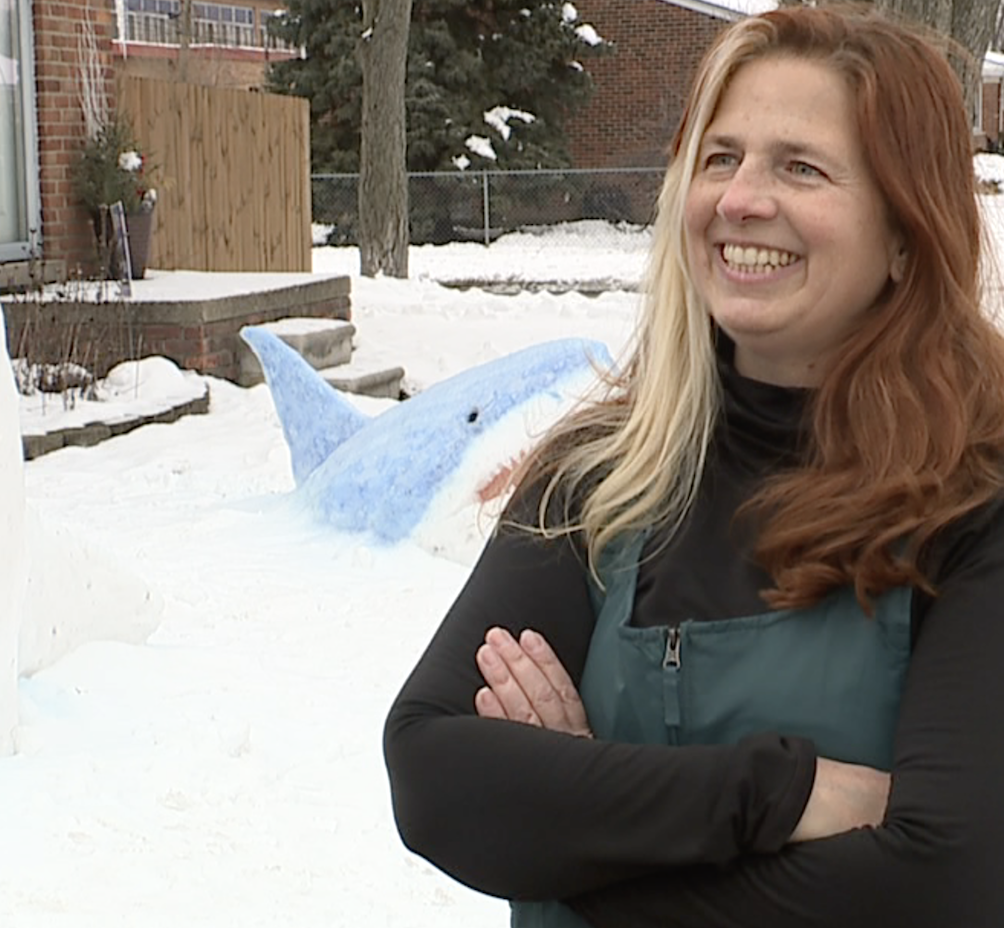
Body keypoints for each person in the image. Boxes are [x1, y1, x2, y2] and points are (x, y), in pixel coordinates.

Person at [383, 6, 1004, 927]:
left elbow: (942, 887)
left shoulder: (977, 497)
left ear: (906, 232)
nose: (740, 199)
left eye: (801, 167)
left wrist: (578, 825)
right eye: (721, 158)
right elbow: (433, 774)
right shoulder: (602, 476)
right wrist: (779, 794)